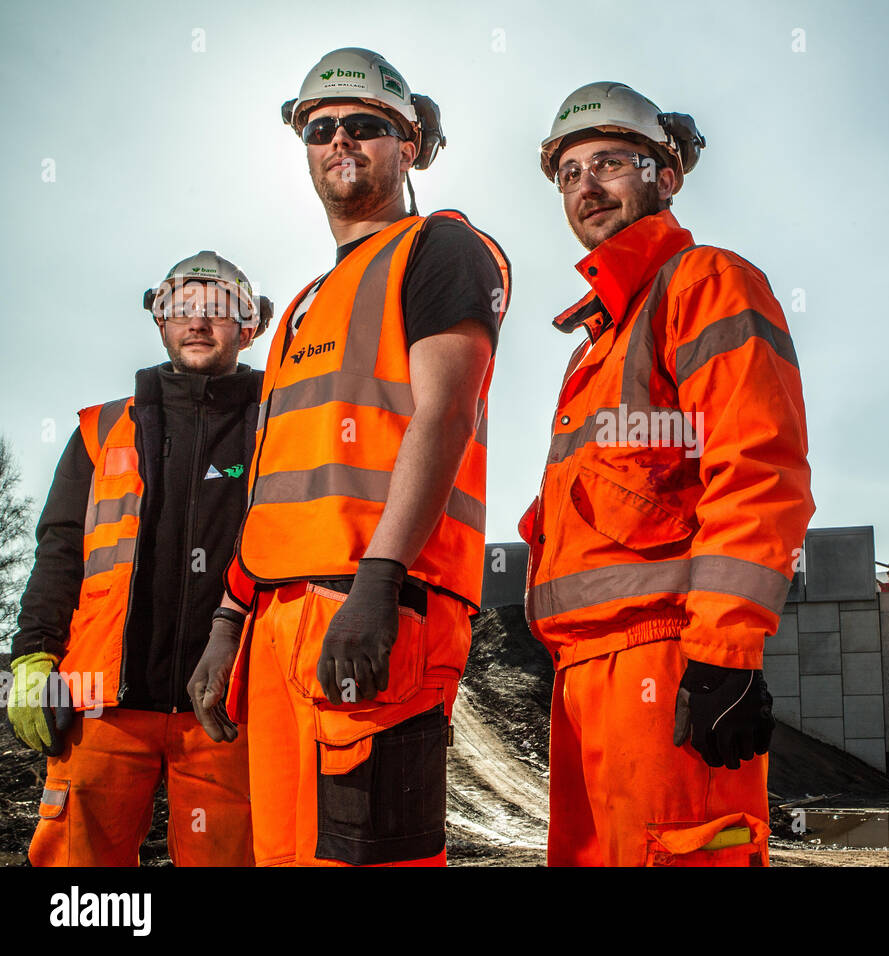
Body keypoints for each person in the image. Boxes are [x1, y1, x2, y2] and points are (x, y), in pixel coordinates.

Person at [187, 47, 509, 867]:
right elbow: (276, 487)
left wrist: (378, 579)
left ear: (410, 145)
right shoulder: (301, 304)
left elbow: (447, 413)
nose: (340, 140)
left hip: (377, 610)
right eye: (319, 127)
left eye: (364, 126)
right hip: (277, 625)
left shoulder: (439, 249)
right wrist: (228, 621)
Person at [521, 82, 815, 866]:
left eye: (611, 161)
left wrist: (724, 655)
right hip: (582, 678)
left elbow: (758, 466)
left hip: (665, 666)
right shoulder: (596, 344)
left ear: (667, 176)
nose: (587, 184)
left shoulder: (705, 283)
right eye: (569, 172)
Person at [6, 251, 270, 866]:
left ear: (250, 324)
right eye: (181, 307)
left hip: (228, 702)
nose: (198, 322)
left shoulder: (278, 427)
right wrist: (34, 652)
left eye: (219, 308)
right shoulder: (102, 430)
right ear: (159, 318)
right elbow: (61, 548)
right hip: (102, 703)